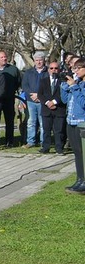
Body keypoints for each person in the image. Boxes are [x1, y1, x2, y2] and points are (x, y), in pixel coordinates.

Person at [61, 59, 85, 192]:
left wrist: (74, 87)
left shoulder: (81, 85)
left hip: (81, 122)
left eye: (79, 68)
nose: (76, 71)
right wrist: (64, 86)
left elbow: (83, 103)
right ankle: (80, 179)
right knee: (76, 152)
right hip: (71, 121)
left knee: (82, 153)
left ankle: (84, 181)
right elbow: (65, 100)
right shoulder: (77, 83)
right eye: (74, 68)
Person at [39, 60, 66, 155]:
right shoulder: (43, 81)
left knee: (59, 130)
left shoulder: (63, 81)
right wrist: (47, 103)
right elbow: (40, 94)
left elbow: (63, 94)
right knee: (46, 130)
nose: (53, 70)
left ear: (59, 70)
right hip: (46, 109)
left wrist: (54, 102)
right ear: (48, 70)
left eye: (56, 68)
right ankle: (46, 147)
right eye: (51, 68)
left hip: (59, 109)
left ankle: (59, 148)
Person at [21, 52, 46, 148]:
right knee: (31, 122)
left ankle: (43, 142)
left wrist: (39, 96)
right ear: (34, 61)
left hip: (43, 101)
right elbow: (25, 85)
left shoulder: (47, 72)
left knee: (43, 122)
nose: (39, 62)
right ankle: (30, 141)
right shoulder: (28, 72)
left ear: (44, 61)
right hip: (31, 101)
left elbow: (48, 86)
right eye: (37, 60)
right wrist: (32, 95)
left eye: (40, 60)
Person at [0, 50, 21, 147]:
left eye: (5, 57)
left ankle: (9, 141)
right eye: (1, 57)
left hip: (9, 99)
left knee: (9, 121)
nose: (4, 58)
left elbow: (18, 82)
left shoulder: (13, 69)